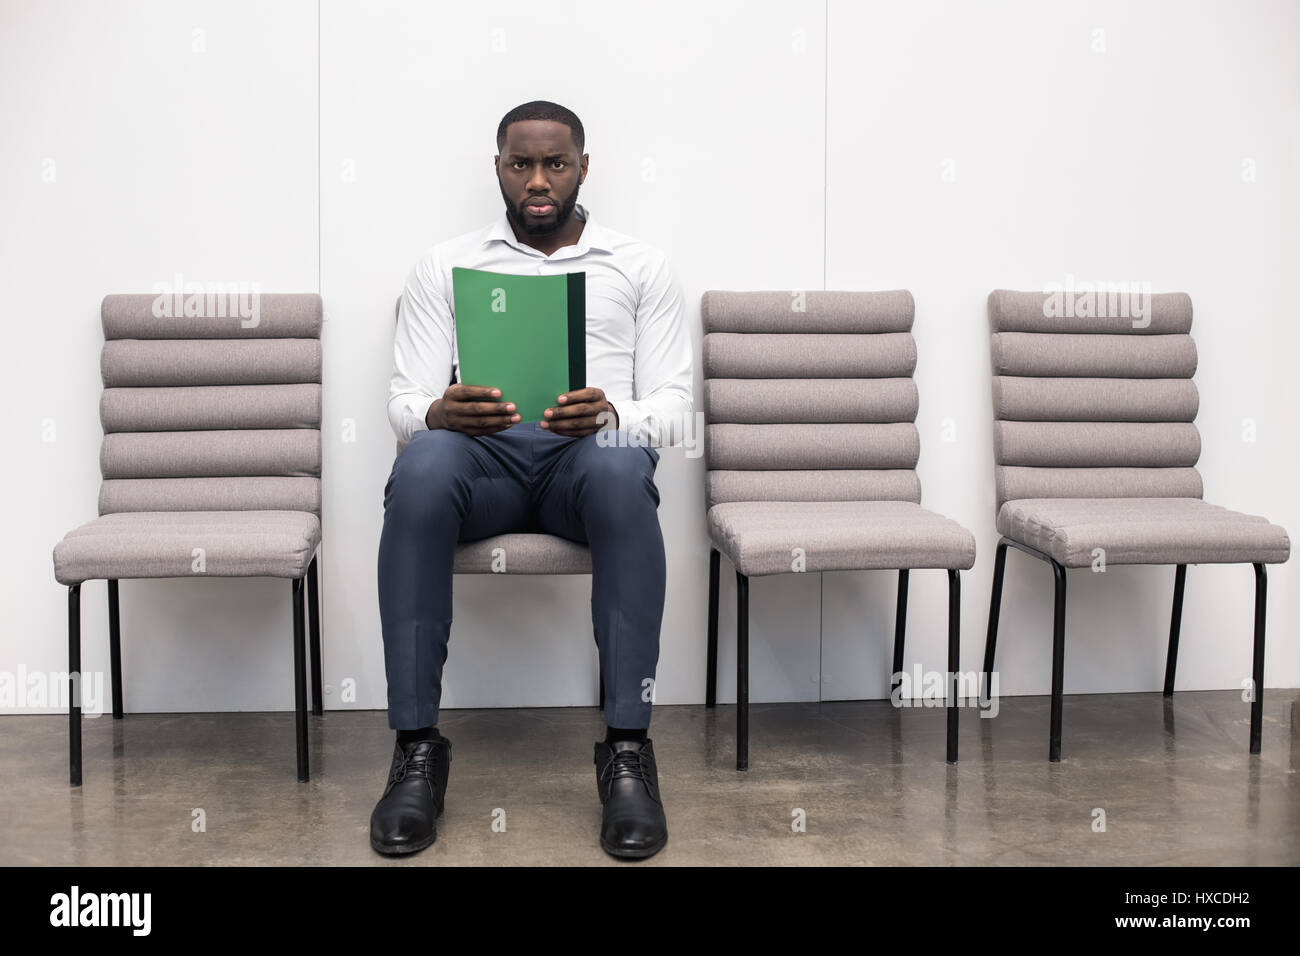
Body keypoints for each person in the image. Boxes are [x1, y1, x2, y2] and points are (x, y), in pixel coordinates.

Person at [371, 100, 693, 860]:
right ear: (499, 170)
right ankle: (417, 749)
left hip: (587, 460)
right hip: (481, 460)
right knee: (418, 467)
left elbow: (678, 410)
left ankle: (625, 753)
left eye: (556, 163)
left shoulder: (639, 266)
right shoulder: (445, 264)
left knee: (619, 469)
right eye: (522, 164)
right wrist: (437, 410)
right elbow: (400, 399)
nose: (539, 181)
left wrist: (615, 412)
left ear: (585, 167)